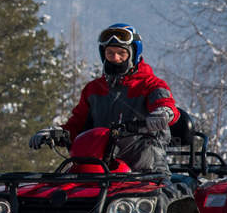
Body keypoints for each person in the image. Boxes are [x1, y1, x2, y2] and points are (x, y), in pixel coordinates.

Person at [31, 23, 176, 172]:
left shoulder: (150, 84)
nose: (115, 58)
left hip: (145, 170)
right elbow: (77, 125)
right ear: (103, 55)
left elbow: (165, 103)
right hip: (99, 169)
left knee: (158, 195)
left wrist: (163, 113)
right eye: (110, 53)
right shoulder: (93, 89)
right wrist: (57, 133)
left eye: (121, 53)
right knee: (59, 191)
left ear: (133, 54)